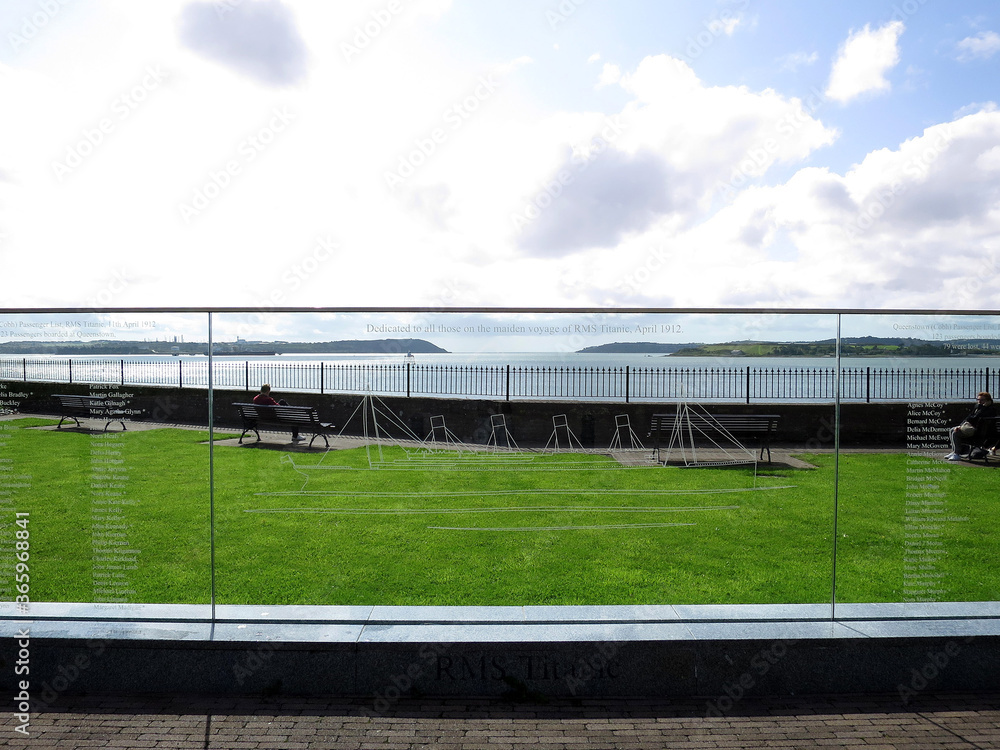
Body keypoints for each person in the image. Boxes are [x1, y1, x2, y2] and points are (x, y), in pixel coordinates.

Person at [945, 392, 997, 461]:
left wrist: (983, 407)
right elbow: (969, 417)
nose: (979, 401)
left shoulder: (989, 410)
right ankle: (955, 452)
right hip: (972, 429)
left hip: (978, 433)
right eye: (978, 399)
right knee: (952, 429)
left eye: (982, 400)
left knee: (956, 433)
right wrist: (960, 426)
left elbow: (975, 418)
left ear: (987, 401)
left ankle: (957, 454)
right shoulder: (978, 407)